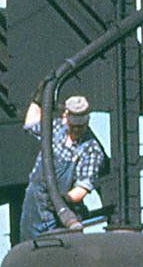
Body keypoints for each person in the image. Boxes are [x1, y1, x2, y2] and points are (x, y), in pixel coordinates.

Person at [21, 94, 105, 238]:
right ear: (65, 117)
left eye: (81, 127)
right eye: (73, 126)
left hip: (60, 215)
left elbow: (82, 187)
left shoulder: (91, 150)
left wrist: (63, 199)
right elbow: (30, 123)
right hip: (34, 207)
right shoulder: (55, 128)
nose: (77, 131)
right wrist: (37, 99)